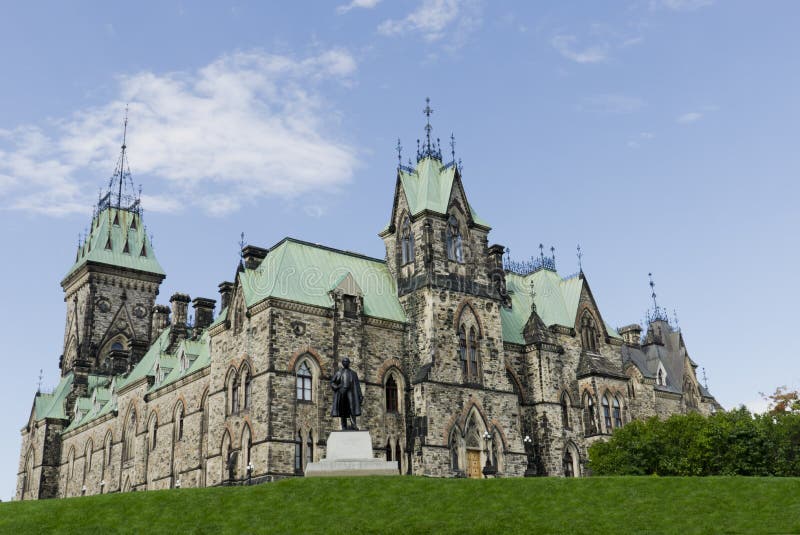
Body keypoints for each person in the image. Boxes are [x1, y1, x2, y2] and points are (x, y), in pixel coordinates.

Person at [330, 357, 364, 430]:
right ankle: (344, 426)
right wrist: (337, 387)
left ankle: (354, 424)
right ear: (342, 363)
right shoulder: (338, 373)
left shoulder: (353, 373)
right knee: (343, 409)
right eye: (344, 362)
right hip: (342, 392)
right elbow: (332, 382)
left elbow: (357, 385)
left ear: (349, 363)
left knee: (352, 408)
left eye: (347, 362)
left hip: (351, 392)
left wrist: (360, 395)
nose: (345, 363)